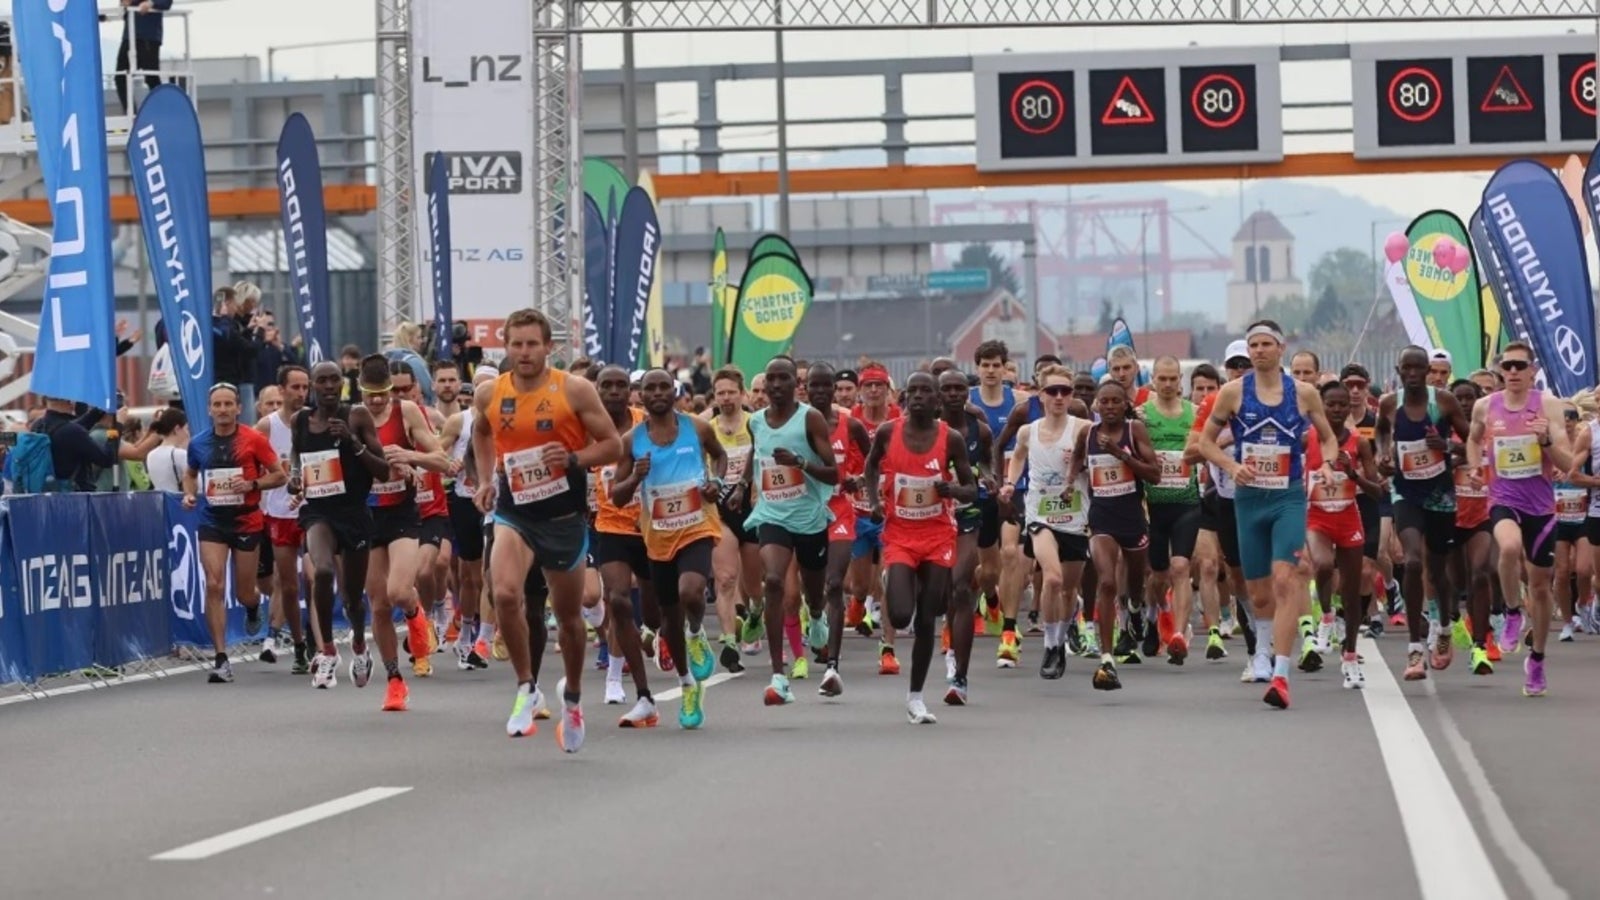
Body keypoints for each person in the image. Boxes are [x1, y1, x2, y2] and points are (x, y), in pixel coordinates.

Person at [472, 308, 622, 752]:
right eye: (515, 344)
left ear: (548, 346)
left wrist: (573, 459)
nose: (523, 352)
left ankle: (572, 697)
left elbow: (612, 444)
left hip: (564, 519)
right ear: (505, 346)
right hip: (514, 514)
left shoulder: (573, 390)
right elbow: (481, 434)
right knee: (503, 595)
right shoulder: (489, 393)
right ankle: (526, 688)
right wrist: (485, 481)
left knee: (571, 619)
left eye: (531, 344)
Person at [1196, 321, 1340, 710]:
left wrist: (1326, 465)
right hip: (1248, 500)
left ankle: (1280, 672)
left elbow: (1328, 437)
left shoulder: (1304, 393)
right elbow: (1204, 443)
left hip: (1288, 498)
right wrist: (1230, 465)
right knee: (1258, 592)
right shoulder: (1232, 393)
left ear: (1281, 347)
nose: (1258, 351)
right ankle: (1261, 650)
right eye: (1253, 345)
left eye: (1266, 344)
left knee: (1285, 579)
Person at [610, 369, 728, 729]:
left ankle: (697, 633)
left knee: (691, 591)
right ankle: (686, 683)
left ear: (675, 391)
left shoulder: (697, 427)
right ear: (639, 395)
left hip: (697, 526)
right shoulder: (632, 440)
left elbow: (720, 457)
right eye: (651, 388)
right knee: (666, 619)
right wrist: (635, 477)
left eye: (665, 387)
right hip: (658, 536)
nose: (658, 393)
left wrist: (716, 483)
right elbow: (616, 494)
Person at [1464, 341, 1575, 697]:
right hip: (1503, 498)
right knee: (1509, 548)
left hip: (1541, 507)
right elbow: (1473, 438)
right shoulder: (1486, 405)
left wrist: (1544, 441)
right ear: (1499, 372)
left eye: (1518, 366)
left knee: (1541, 587)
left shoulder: (1548, 405)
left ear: (1532, 371)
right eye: (1506, 367)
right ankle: (1513, 611)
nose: (1512, 372)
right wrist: (1476, 466)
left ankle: (1538, 659)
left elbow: (1566, 462)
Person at [864, 372, 976, 723]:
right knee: (900, 615)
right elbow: (870, 467)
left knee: (928, 616)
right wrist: (874, 501)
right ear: (904, 397)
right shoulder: (888, 432)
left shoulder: (951, 438)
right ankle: (895, 580)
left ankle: (915, 697)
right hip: (900, 535)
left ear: (937, 400)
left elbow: (972, 489)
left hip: (938, 534)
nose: (918, 397)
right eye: (912, 391)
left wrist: (953, 490)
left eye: (926, 392)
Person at [737, 356, 838, 706]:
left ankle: (818, 615)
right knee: (776, 582)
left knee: (813, 590)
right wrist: (739, 486)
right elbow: (757, 453)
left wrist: (800, 463)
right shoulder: (754, 421)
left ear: (796, 383)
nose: (776, 386)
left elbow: (833, 472)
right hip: (772, 514)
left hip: (809, 516)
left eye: (783, 379)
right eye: (770, 380)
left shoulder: (809, 418)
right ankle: (778, 676)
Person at [289, 361, 390, 690]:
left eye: (335, 380)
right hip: (319, 512)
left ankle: (359, 643)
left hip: (354, 513)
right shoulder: (300, 420)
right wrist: (293, 477)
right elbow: (296, 458)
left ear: (342, 384)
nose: (329, 386)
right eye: (322, 381)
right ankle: (328, 651)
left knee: (352, 598)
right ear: (312, 386)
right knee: (322, 571)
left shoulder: (357, 416)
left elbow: (384, 471)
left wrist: (352, 442)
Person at [359, 357, 453, 711]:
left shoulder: (408, 411)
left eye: (383, 394)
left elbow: (442, 460)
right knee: (379, 604)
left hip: (401, 513)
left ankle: (416, 615)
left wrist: (408, 456)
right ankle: (395, 681)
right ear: (360, 389)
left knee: (399, 591)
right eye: (371, 394)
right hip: (367, 516)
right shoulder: (354, 417)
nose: (378, 401)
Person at [1374, 346, 1471, 681]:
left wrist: (1449, 448)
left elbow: (1472, 441)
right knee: (1413, 561)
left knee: (1439, 570)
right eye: (1407, 369)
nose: (1413, 374)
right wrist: (1383, 456)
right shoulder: (1390, 404)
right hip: (1405, 491)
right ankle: (1415, 648)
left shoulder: (1443, 402)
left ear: (1429, 370)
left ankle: (1444, 627)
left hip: (1440, 491)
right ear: (1399, 371)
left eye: (1419, 368)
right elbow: (1381, 432)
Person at [1000, 366, 1100, 686]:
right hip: (1040, 514)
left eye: (1065, 392)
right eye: (1052, 391)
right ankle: (1050, 646)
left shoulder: (1083, 428)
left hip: (1075, 517)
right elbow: (1017, 457)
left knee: (1069, 589)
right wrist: (1009, 483)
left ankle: (1061, 635)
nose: (1059, 397)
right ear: (1041, 394)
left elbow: (1104, 460)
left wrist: (1083, 460)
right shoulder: (1028, 431)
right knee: (1052, 579)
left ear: (1071, 396)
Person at [182, 384, 286, 683]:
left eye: (229, 404)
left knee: (243, 592)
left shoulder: (253, 439)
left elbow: (278, 474)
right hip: (213, 520)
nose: (223, 409)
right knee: (213, 584)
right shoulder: (199, 443)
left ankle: (252, 606)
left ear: (239, 408)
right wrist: (189, 495)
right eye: (218, 404)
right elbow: (190, 474)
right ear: (209, 409)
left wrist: (253, 485)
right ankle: (221, 658)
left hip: (246, 521)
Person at [1069, 380, 1161, 677]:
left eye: (1115, 402)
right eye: (1104, 401)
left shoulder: (1135, 431)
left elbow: (1155, 475)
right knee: (1107, 582)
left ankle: (1135, 609)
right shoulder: (1088, 433)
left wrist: (1122, 454)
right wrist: (1070, 482)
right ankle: (1107, 657)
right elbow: (1077, 458)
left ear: (1125, 405)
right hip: (1101, 517)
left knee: (1135, 583)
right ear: (1096, 405)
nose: (1109, 407)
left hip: (1132, 516)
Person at [588, 364, 658, 722]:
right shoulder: (585, 428)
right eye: (607, 385)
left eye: (620, 385)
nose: (614, 391)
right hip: (603, 524)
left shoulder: (644, 423)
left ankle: (658, 633)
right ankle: (614, 676)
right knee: (616, 599)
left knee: (654, 606)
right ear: (596, 390)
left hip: (650, 525)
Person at [1304, 380, 1382, 689]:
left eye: (1342, 405)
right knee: (1323, 565)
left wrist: (1353, 475)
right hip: (1316, 518)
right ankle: (1325, 615)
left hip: (1349, 518)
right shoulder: (1306, 439)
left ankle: (1350, 657)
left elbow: (1377, 491)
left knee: (1351, 592)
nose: (1337, 410)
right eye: (1331, 404)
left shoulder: (1359, 444)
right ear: (1320, 407)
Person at [806, 362, 873, 697]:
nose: (819, 391)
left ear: (834, 390)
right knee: (811, 590)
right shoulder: (796, 423)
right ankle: (815, 617)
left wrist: (862, 480)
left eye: (824, 386)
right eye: (812, 386)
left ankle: (832, 666)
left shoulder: (850, 424)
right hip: (802, 512)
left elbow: (877, 458)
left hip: (840, 512)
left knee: (835, 583)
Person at [936, 367, 993, 702]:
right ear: (938, 393)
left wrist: (989, 478)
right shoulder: (923, 429)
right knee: (943, 591)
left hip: (968, 513)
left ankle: (960, 676)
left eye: (960, 388)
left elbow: (988, 462)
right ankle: (949, 636)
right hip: (930, 518)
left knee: (961, 586)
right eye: (949, 388)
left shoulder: (979, 429)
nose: (955, 393)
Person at [254, 365, 313, 675]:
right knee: (288, 586)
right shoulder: (267, 426)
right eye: (295, 387)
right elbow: (250, 464)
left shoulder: (317, 422)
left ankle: (320, 641)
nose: (302, 393)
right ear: (282, 389)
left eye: (305, 387)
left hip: (314, 512)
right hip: (279, 513)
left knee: (317, 578)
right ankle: (300, 644)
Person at [115, 0, 171, 113]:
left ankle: (163, 110)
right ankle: (131, 112)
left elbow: (166, 2)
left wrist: (150, 3)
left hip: (148, 36)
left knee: (151, 77)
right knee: (120, 76)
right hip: (130, 36)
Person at [144, 408, 190, 494]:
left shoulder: (150, 455)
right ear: (177, 429)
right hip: (178, 503)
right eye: (186, 428)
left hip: (160, 504)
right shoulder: (180, 454)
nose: (188, 433)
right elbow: (197, 484)